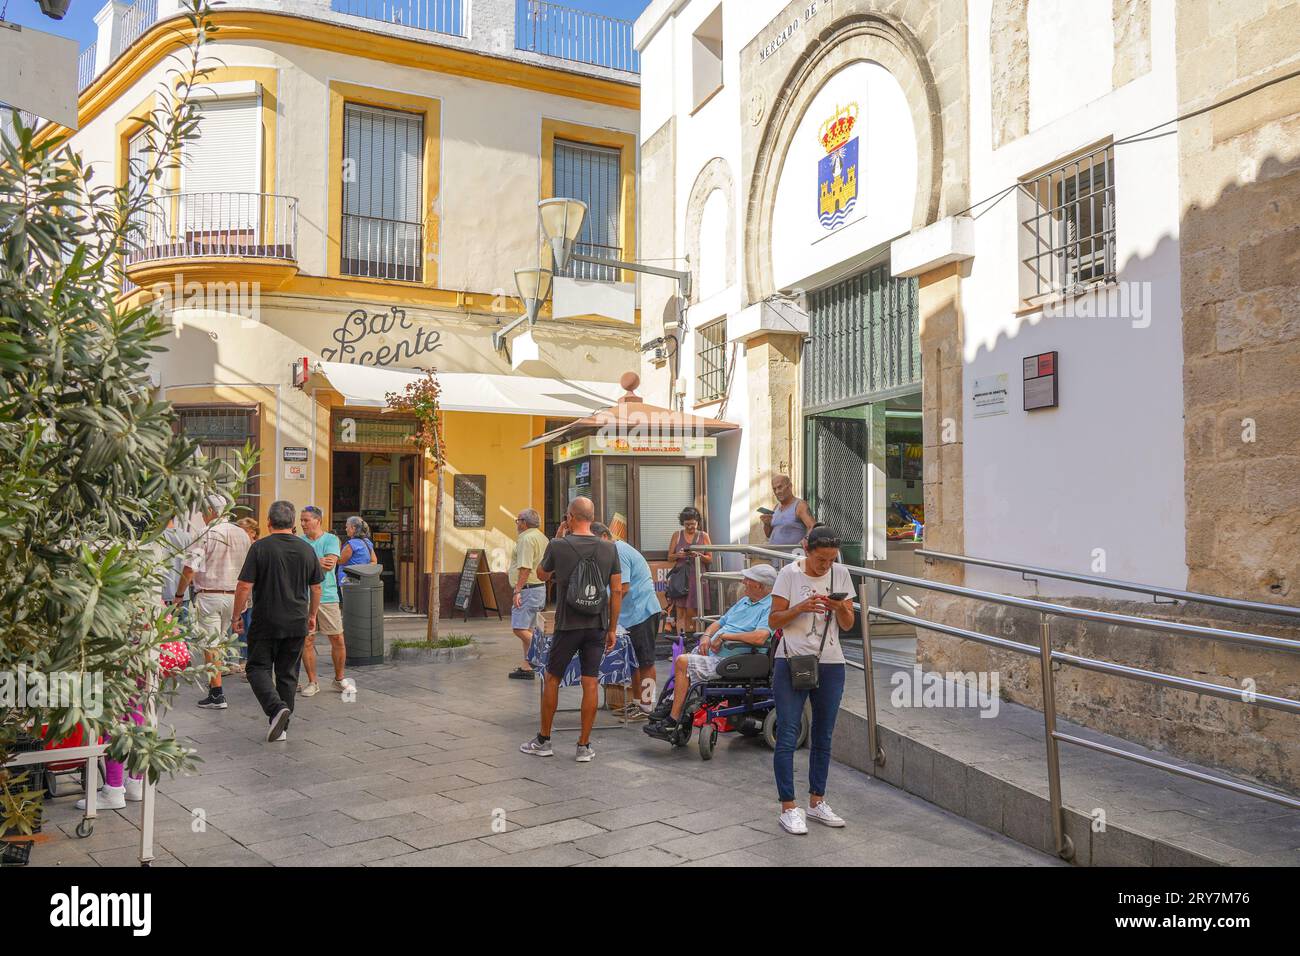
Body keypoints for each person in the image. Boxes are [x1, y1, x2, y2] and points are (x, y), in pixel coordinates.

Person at [767, 525, 855, 835]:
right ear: (807, 551)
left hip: (831, 662)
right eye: (821, 559)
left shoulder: (840, 574)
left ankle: (817, 802)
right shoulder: (789, 574)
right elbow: (773, 619)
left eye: (831, 559)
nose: (825, 565)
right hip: (791, 661)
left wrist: (840, 606)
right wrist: (801, 607)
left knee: (824, 734)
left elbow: (847, 624)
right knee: (788, 732)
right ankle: (789, 807)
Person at [519, 497, 622, 763]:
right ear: (592, 516)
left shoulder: (559, 545)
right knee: (590, 682)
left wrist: (557, 538)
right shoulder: (609, 548)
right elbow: (617, 591)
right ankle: (584, 746)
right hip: (597, 624)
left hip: (567, 625)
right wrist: (612, 628)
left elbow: (542, 574)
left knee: (552, 678)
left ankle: (544, 740)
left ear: (570, 517)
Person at [644, 563, 778, 740]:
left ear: (759, 585)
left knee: (683, 662)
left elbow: (760, 637)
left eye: (748, 580)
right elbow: (720, 622)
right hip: (718, 652)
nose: (744, 581)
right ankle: (673, 707)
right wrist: (707, 635)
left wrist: (725, 637)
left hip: (737, 658)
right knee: (686, 662)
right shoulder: (745, 601)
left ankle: (674, 719)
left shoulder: (769, 607)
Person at [232, 500, 323, 742]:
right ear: (293, 523)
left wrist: (237, 615)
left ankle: (275, 709)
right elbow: (316, 587)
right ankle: (282, 727)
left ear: (269, 522)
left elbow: (244, 586)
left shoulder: (260, 548)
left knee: (256, 668)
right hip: (296, 620)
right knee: (287, 673)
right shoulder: (307, 549)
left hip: (266, 620)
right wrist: (312, 615)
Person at [174, 494, 252, 711]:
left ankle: (217, 693)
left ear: (210, 512)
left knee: (211, 645)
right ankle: (216, 690)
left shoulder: (205, 533)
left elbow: (191, 567)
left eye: (202, 511)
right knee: (218, 643)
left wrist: (179, 594)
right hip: (234, 595)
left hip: (210, 594)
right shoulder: (242, 534)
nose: (202, 515)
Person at [593, 522, 660, 719]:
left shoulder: (618, 551)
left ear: (606, 536)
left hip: (642, 612)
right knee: (634, 662)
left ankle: (648, 706)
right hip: (629, 615)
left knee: (646, 661)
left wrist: (605, 611)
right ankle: (638, 703)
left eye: (597, 543)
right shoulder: (610, 552)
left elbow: (622, 589)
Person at [298, 505, 352, 697]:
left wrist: (306, 561)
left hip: (328, 596)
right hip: (303, 596)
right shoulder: (299, 542)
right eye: (301, 520)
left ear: (317, 520)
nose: (302, 523)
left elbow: (329, 565)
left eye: (306, 520)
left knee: (337, 637)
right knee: (307, 639)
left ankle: (339, 679)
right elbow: (297, 566)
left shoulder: (331, 539)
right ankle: (312, 682)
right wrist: (315, 561)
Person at [507, 508, 549, 680]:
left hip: (528, 589)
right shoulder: (542, 537)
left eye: (518, 521)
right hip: (538, 588)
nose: (517, 524)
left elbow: (525, 567)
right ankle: (527, 666)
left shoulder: (526, 538)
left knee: (519, 628)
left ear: (524, 522)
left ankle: (545, 653)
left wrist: (517, 590)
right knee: (529, 628)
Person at [667, 506, 711, 634]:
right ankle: (681, 643)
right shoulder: (677, 535)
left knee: (698, 611)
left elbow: (710, 559)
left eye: (693, 524)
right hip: (681, 578)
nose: (691, 527)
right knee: (680, 611)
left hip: (698, 576)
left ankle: (697, 643)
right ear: (683, 524)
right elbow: (669, 557)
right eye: (687, 525)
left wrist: (699, 555)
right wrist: (678, 555)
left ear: (698, 522)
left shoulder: (704, 536)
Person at [762, 474, 815, 547]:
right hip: (775, 556)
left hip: (792, 556)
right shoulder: (776, 507)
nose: (777, 492)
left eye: (780, 487)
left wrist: (806, 539)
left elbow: (813, 527)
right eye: (774, 489)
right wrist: (767, 524)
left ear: (789, 486)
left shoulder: (800, 505)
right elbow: (768, 535)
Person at [337, 515, 377, 587]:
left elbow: (340, 561)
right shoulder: (367, 542)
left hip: (348, 581)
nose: (346, 529)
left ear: (353, 528)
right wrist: (362, 570)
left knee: (348, 598)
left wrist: (336, 549)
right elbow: (374, 561)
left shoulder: (351, 544)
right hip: (363, 580)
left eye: (347, 527)